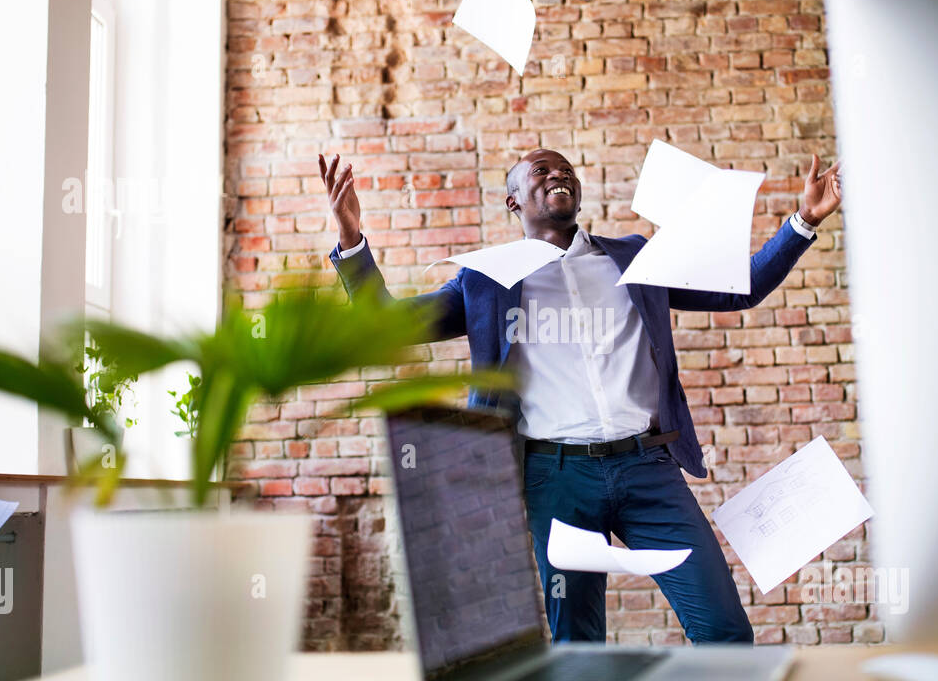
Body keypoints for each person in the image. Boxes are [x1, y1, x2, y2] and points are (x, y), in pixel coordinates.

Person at [320, 148, 842, 644]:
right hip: (556, 481)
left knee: (724, 628)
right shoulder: (484, 281)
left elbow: (739, 287)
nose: (557, 175)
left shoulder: (634, 257)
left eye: (565, 170)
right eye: (541, 171)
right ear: (513, 202)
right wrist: (352, 240)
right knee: (578, 644)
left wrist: (803, 222)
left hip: (648, 470)